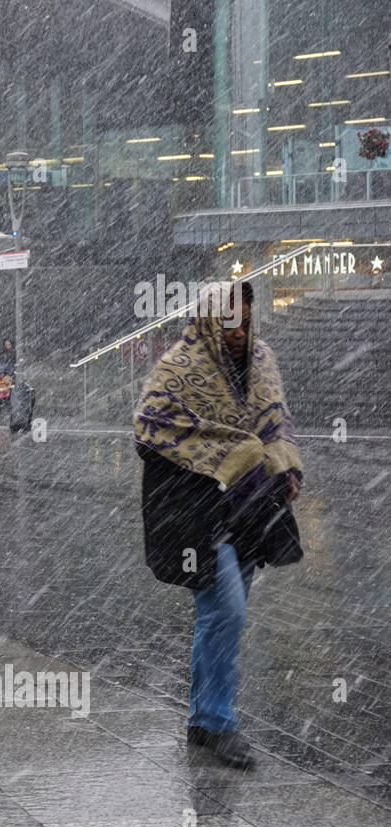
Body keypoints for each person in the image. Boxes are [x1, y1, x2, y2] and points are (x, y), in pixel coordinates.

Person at [135, 280, 303, 770]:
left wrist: (285, 466)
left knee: (219, 618)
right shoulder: (181, 365)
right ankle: (222, 724)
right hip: (200, 512)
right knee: (226, 610)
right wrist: (225, 452)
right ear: (210, 317)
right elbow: (150, 424)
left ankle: (200, 719)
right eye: (230, 321)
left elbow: (275, 420)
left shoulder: (261, 359)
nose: (239, 331)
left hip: (252, 510)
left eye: (247, 321)